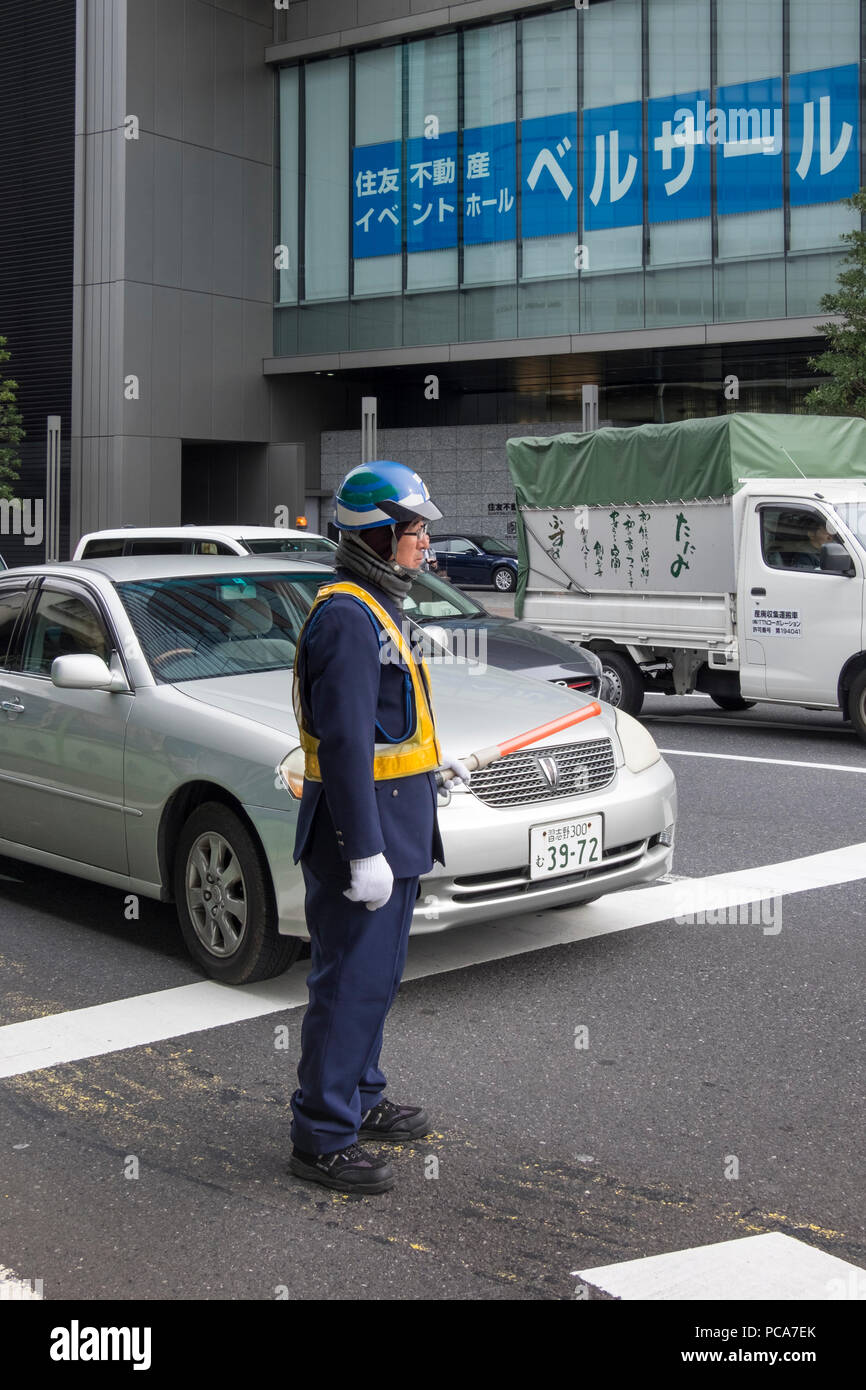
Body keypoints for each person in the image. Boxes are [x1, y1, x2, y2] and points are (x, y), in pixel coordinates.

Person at [288, 461, 470, 1195]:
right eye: (416, 532)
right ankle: (321, 1135)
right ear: (379, 534)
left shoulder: (377, 605)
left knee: (374, 981)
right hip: (359, 839)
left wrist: (432, 760)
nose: (426, 545)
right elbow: (343, 745)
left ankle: (359, 1097)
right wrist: (362, 849)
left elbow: (385, 724)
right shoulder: (347, 617)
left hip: (395, 826)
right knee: (348, 985)